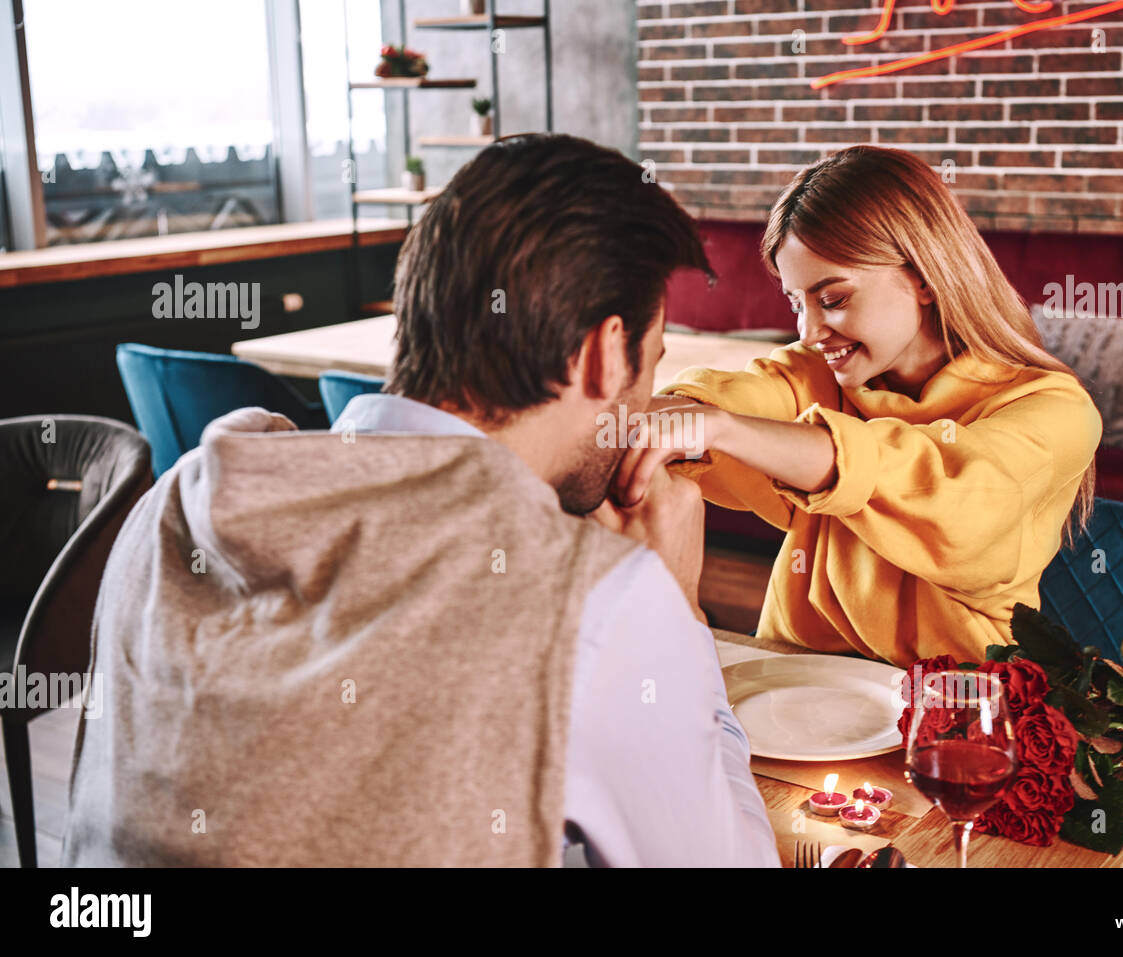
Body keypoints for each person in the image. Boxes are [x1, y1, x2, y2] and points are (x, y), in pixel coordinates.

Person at [62, 133, 780, 868]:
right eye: (650, 367)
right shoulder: (596, 598)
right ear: (603, 352)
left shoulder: (172, 500)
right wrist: (676, 607)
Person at [614, 145, 1102, 666]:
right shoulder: (816, 374)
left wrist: (726, 429)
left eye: (833, 300)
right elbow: (729, 395)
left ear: (925, 279)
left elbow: (952, 493)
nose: (809, 331)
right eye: (795, 302)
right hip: (795, 680)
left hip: (957, 703)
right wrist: (651, 417)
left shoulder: (1055, 410)